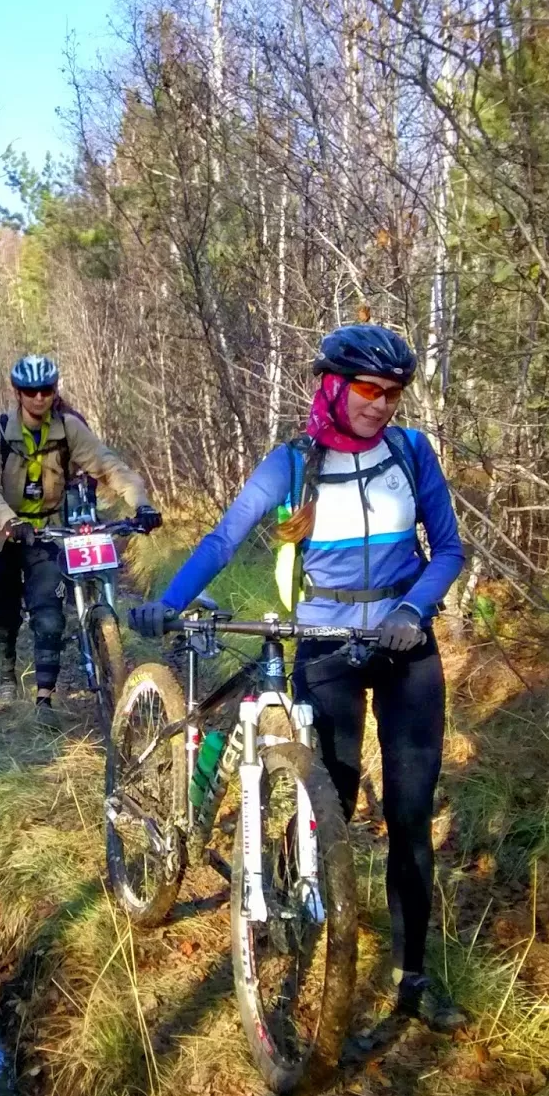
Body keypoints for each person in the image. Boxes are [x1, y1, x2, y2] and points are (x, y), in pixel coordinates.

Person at [127, 324, 469, 1033]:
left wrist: (414, 607)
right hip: (323, 641)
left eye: (394, 393)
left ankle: (412, 975)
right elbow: (225, 539)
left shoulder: (411, 453)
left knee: (409, 816)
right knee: (332, 803)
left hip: (404, 643)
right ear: (334, 386)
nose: (382, 404)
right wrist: (167, 604)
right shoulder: (293, 463)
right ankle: (297, 901)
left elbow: (449, 548)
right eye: (369, 389)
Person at [0, 355, 161, 707]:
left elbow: (108, 465)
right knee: (4, 611)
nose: (39, 397)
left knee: (49, 612)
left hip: (47, 531)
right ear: (18, 393)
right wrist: (10, 521)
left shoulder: (69, 428)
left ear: (55, 390)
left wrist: (141, 504)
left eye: (46, 390)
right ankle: (7, 676)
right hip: (2, 532)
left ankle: (44, 697)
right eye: (31, 391)